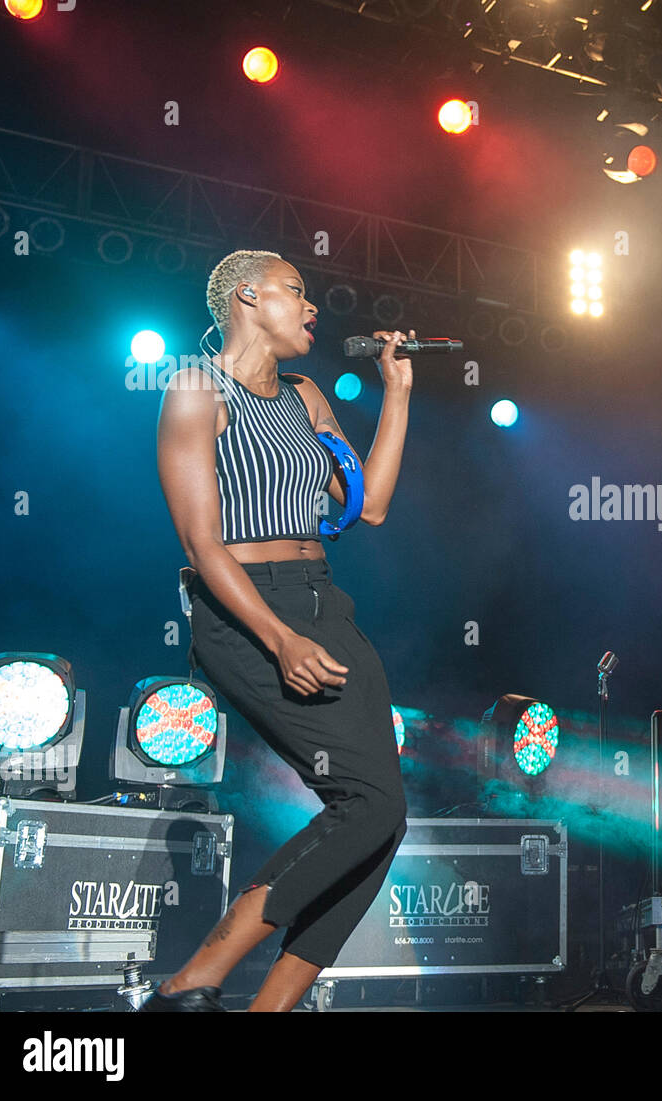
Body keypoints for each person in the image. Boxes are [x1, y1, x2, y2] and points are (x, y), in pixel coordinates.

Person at [146, 249, 415, 1010]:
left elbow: (370, 504)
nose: (312, 307)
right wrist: (277, 637)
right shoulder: (197, 389)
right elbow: (201, 541)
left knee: (382, 815)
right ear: (245, 297)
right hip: (245, 609)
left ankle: (270, 1005)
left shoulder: (306, 394)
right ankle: (198, 973)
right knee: (369, 804)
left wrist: (397, 393)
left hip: (323, 599)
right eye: (296, 291)